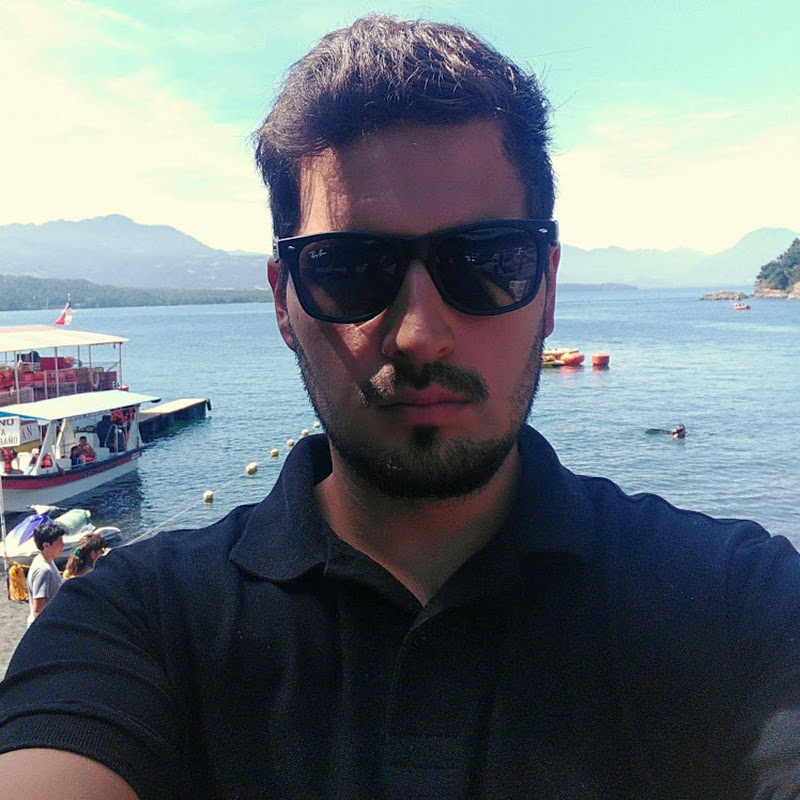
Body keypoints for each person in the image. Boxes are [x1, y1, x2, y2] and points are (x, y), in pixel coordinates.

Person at [0, 14, 799, 800]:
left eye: (487, 262)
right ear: (282, 301)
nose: (420, 334)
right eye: (348, 268)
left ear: (549, 285)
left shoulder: (737, 601)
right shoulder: (137, 621)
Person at [23, 521, 65, 627]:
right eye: (59, 541)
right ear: (46, 545)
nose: (63, 544)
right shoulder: (44, 570)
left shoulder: (47, 561)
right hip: (43, 627)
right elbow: (38, 610)